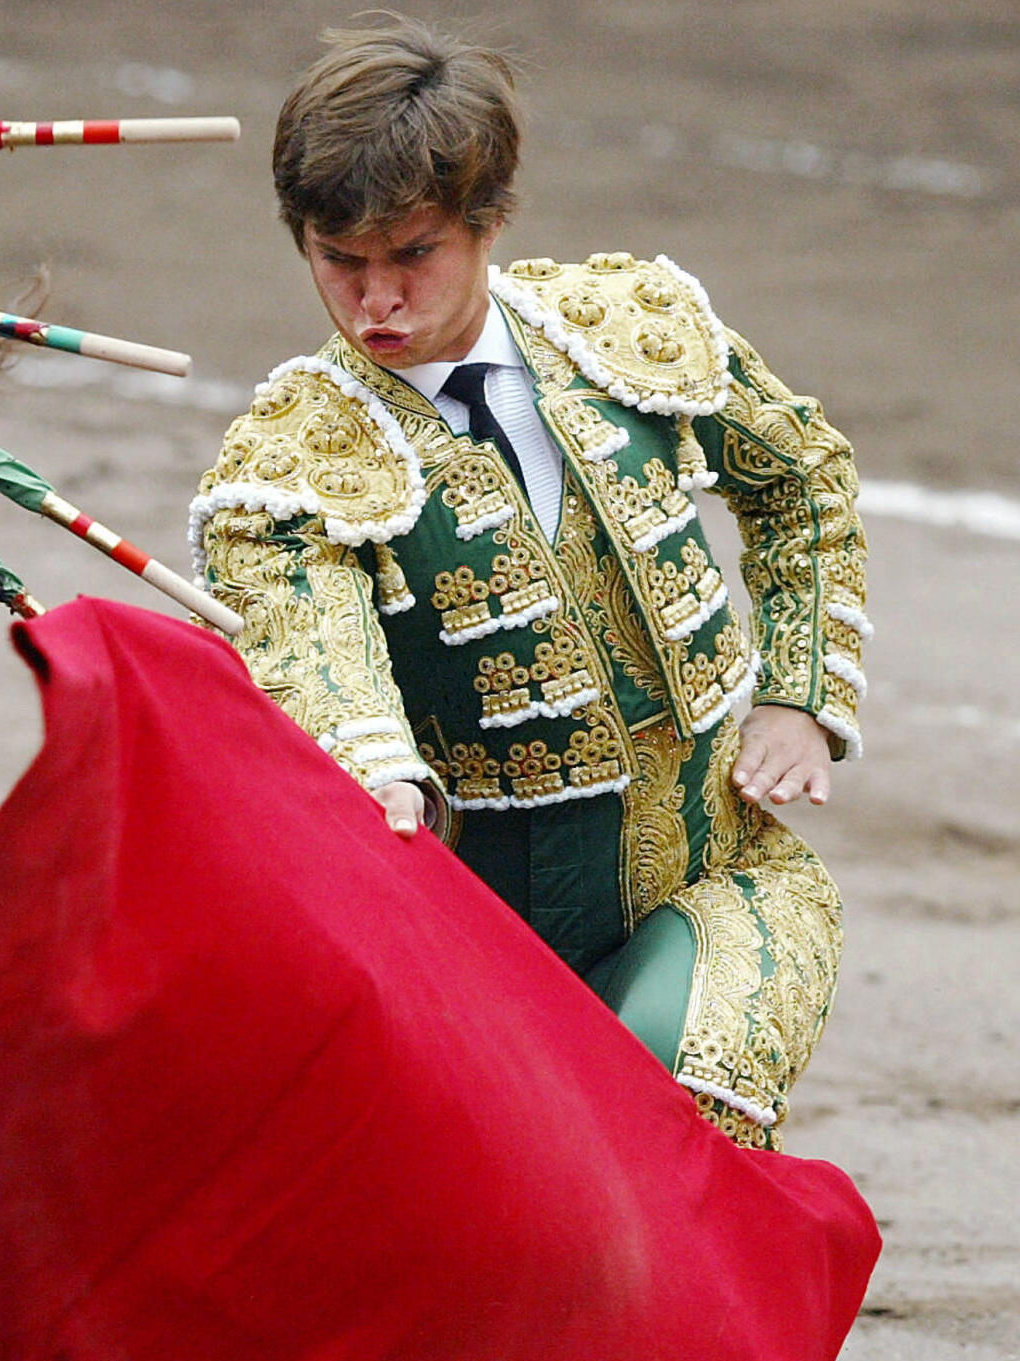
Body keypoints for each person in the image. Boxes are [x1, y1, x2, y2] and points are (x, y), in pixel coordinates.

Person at [190, 16, 867, 1148]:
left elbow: (801, 483)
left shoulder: (630, 331)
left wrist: (798, 692)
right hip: (473, 948)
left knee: (682, 1098)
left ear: (489, 220)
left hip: (722, 876)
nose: (374, 305)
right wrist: (369, 773)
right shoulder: (287, 461)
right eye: (337, 260)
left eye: (411, 255)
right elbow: (308, 645)